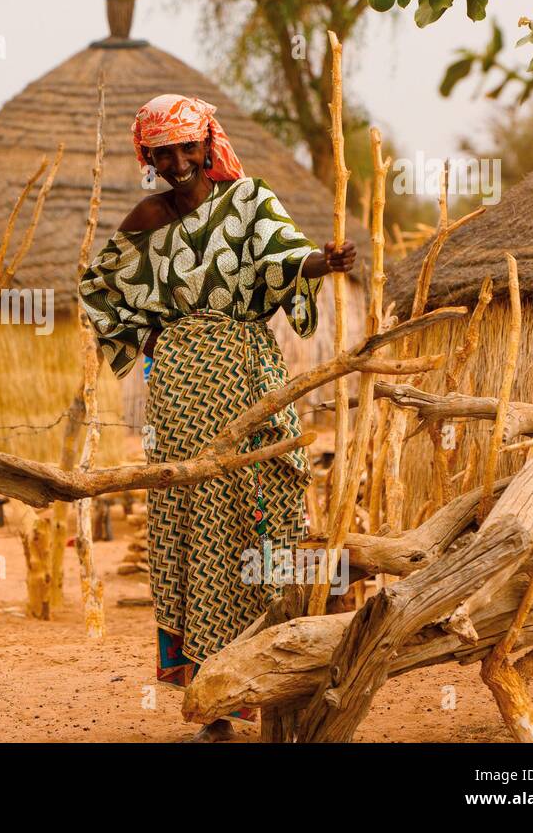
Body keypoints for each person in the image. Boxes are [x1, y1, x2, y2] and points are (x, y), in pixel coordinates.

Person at [77, 94, 356, 741]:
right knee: (191, 518)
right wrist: (150, 340)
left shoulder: (251, 200)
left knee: (268, 501)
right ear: (148, 157)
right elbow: (96, 290)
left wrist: (325, 262)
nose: (177, 162)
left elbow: (285, 261)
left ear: (208, 145)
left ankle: (278, 674)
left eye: (186, 148)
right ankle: (216, 696)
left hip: (247, 373)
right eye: (162, 152)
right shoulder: (146, 217)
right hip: (178, 389)